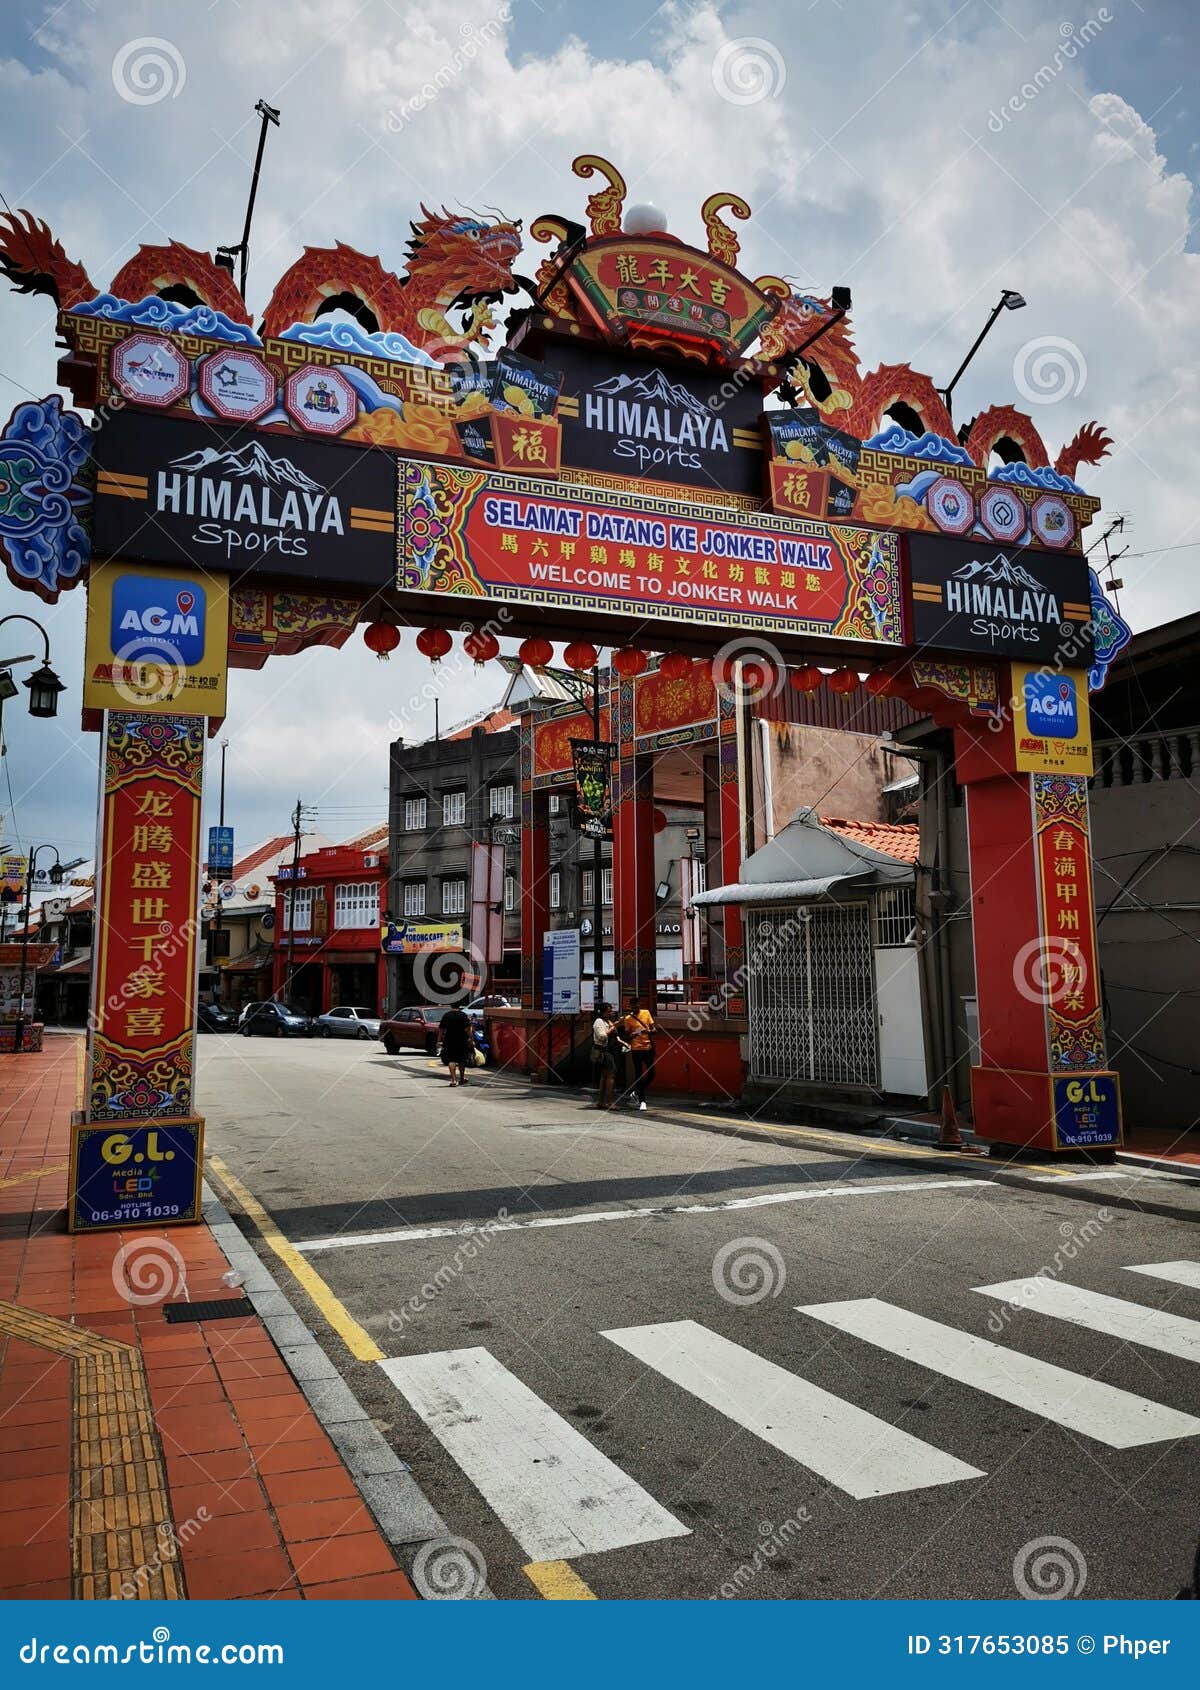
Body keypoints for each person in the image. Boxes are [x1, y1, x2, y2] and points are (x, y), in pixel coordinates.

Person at [621, 997, 657, 1111]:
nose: (636, 1008)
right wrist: (636, 1033)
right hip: (636, 1049)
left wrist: (649, 1031)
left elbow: (654, 1029)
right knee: (638, 1074)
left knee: (652, 1073)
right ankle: (642, 1101)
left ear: (639, 1004)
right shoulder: (628, 1019)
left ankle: (637, 1091)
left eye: (637, 1006)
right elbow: (627, 1036)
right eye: (633, 1007)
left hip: (648, 1047)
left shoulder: (646, 1013)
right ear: (630, 1007)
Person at [591, 1001, 618, 1110]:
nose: (611, 1013)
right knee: (610, 1076)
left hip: (609, 1050)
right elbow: (602, 1036)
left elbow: (615, 1033)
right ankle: (609, 1102)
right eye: (608, 1011)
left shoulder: (608, 1022)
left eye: (611, 1011)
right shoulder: (599, 1022)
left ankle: (601, 1101)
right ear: (602, 1012)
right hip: (603, 1051)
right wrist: (613, 1027)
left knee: (604, 1076)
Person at [439, 1003, 472, 1086]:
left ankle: (453, 1080)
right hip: (462, 1040)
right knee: (461, 1060)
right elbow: (468, 1029)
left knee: (451, 1059)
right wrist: (472, 1039)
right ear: (459, 1006)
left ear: (451, 1006)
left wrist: (438, 1040)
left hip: (449, 1040)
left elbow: (441, 1029)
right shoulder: (463, 1015)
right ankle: (461, 1078)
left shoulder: (446, 1015)